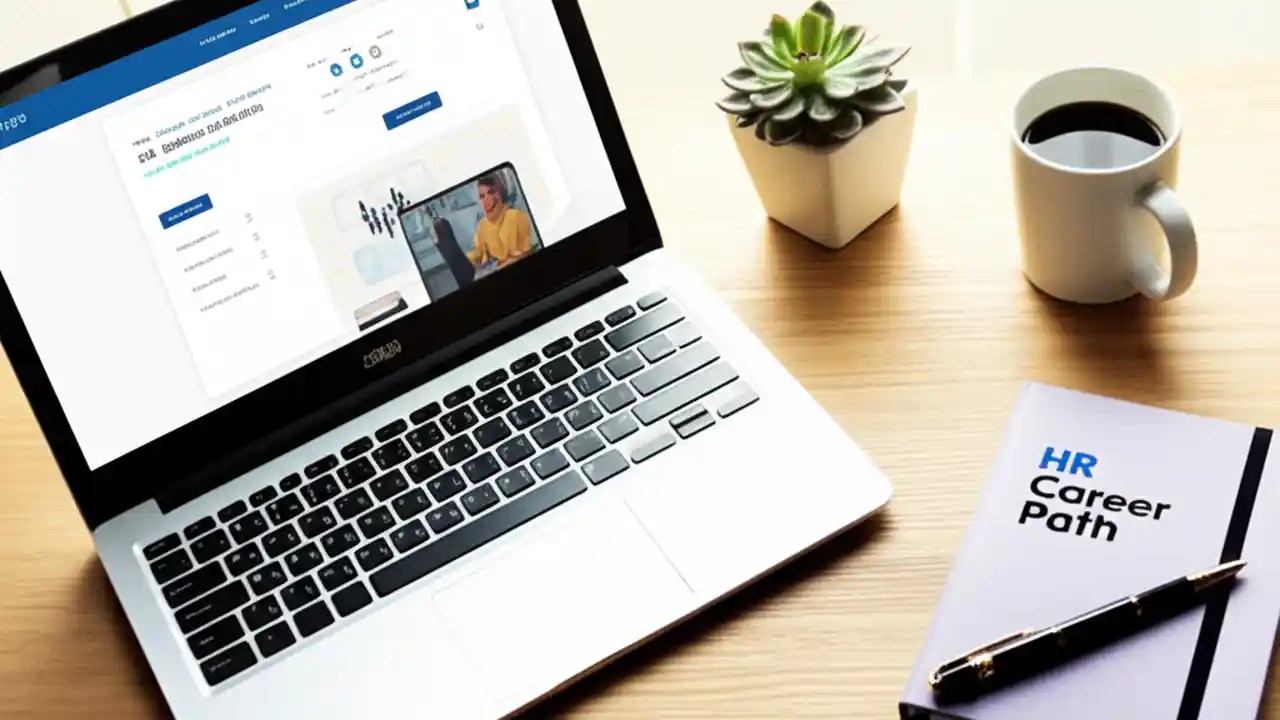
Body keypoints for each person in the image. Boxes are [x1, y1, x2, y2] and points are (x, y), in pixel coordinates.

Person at [466, 174, 534, 269]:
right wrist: (465, 260)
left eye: (490, 192)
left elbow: (527, 253)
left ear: (500, 194)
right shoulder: (482, 226)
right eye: (482, 196)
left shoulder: (517, 216)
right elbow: (479, 252)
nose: (486, 199)